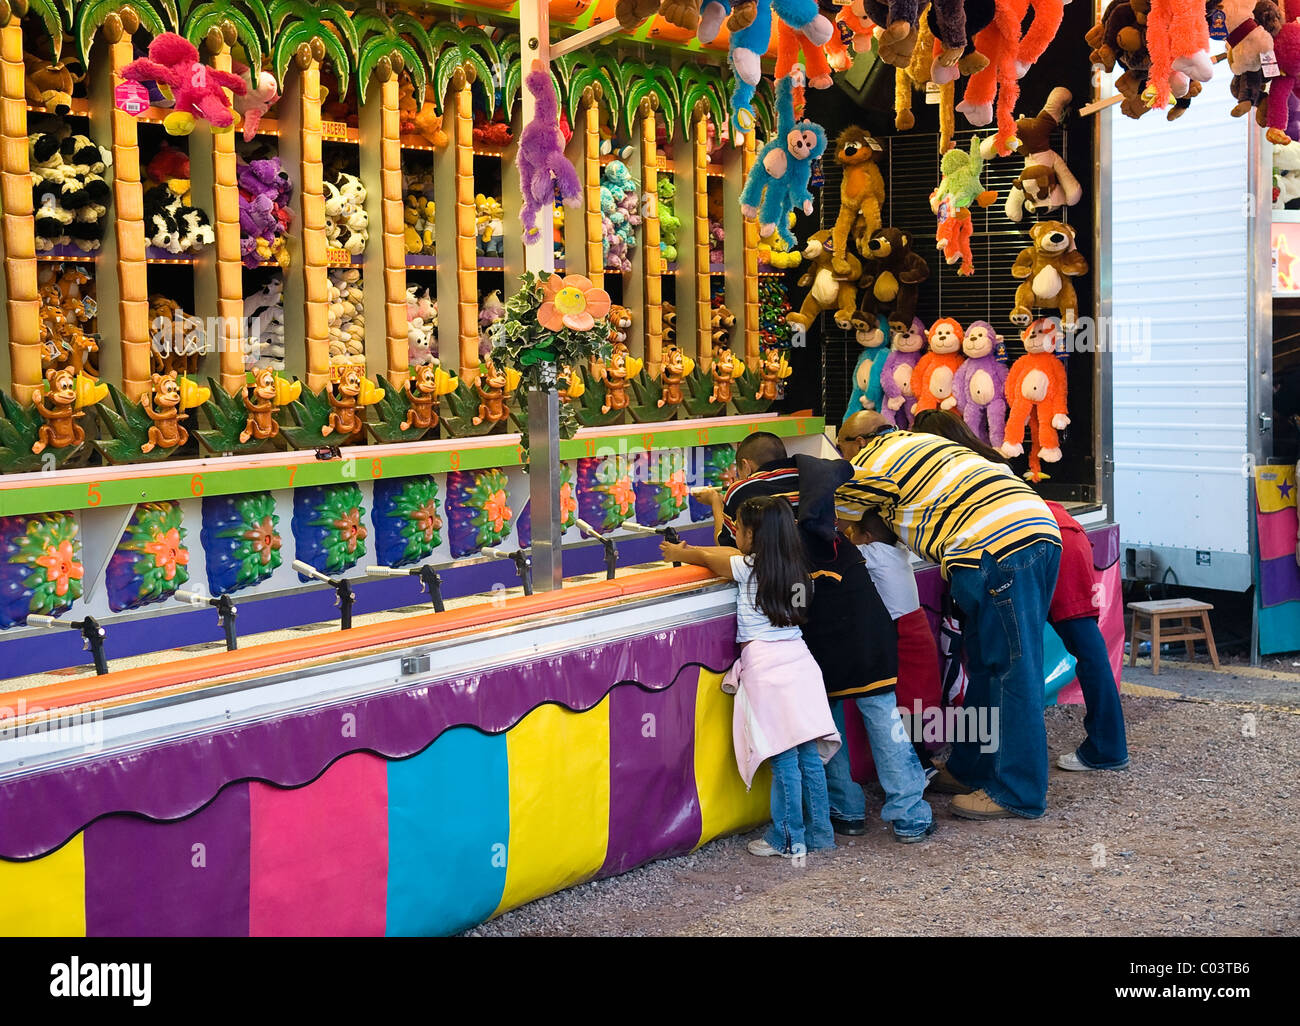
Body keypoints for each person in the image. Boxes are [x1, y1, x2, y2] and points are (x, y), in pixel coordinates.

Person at [695, 432, 933, 841]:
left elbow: (732, 550)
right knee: (882, 713)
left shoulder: (744, 494)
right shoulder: (818, 476)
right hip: (861, 608)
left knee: (825, 720)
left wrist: (717, 504)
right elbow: (882, 491)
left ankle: (847, 811)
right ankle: (911, 815)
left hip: (814, 623)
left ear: (746, 466)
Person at [835, 410, 1062, 821]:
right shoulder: (926, 446)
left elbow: (834, 517)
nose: (841, 457)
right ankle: (970, 769)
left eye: (841, 447)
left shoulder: (873, 460)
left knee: (1013, 671)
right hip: (1030, 535)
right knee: (990, 668)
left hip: (996, 549)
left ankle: (1019, 792)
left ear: (857, 441)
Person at [910, 408, 1129, 772]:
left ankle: (1006, 768)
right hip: (1060, 533)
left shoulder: (944, 471)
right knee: (1086, 649)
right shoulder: (988, 458)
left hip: (1031, 546)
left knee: (1009, 663)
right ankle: (1107, 745)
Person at [661, 495, 841, 858]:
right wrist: (716, 513)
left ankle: (788, 838)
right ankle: (821, 833)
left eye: (739, 529)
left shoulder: (747, 567)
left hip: (766, 667)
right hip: (801, 662)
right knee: (807, 754)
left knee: (783, 757)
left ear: (751, 535)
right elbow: (722, 549)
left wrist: (676, 550)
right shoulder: (796, 567)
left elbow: (708, 556)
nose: (735, 535)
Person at [837, 509, 943, 775]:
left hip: (902, 632)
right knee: (915, 701)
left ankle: (918, 765)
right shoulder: (896, 549)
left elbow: (837, 549)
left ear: (868, 537)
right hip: (914, 626)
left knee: (904, 702)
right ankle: (922, 759)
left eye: (854, 534)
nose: (851, 538)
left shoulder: (873, 553)